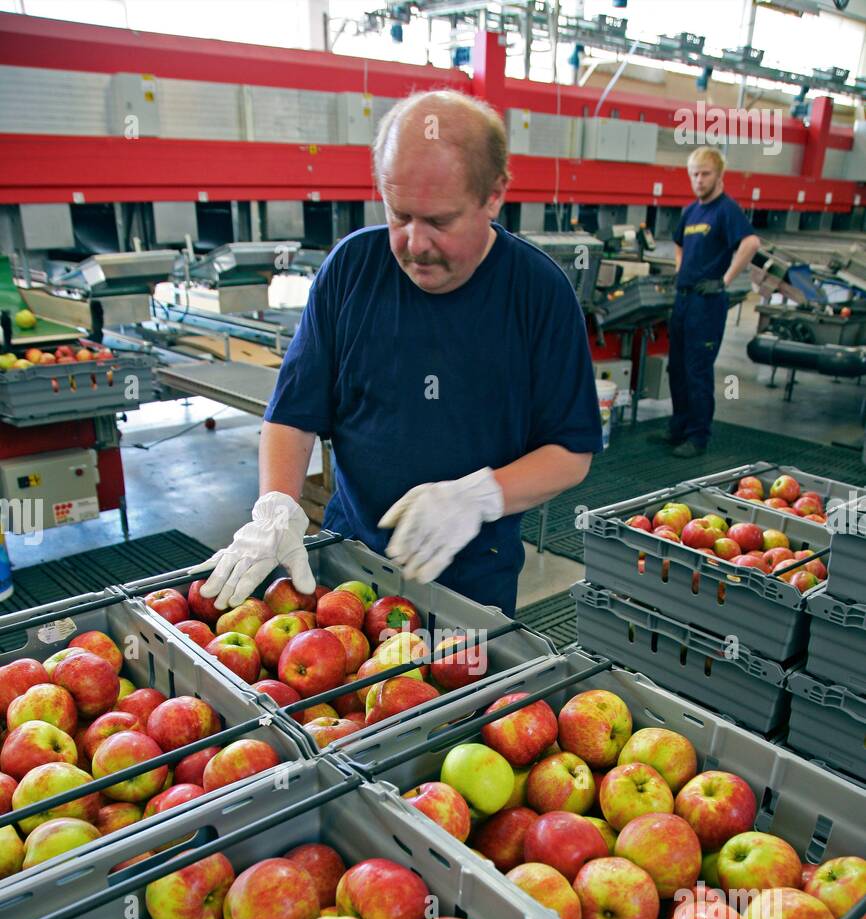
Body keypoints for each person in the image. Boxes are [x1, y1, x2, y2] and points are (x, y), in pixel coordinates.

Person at [200, 89, 602, 618]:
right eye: (399, 214)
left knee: (463, 698)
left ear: (494, 195)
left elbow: (571, 452)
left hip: (471, 583)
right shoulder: (352, 269)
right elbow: (293, 415)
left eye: (438, 221)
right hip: (348, 571)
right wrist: (277, 505)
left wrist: (478, 496)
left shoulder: (538, 294)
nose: (414, 243)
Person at [659, 146, 760, 459]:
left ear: (719, 176)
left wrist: (724, 280)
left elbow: (751, 243)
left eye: (705, 174)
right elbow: (678, 244)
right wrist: (680, 269)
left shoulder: (725, 210)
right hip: (684, 299)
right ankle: (678, 427)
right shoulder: (691, 211)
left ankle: (698, 436)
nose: (699, 180)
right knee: (676, 367)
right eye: (694, 174)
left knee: (697, 370)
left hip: (707, 303)